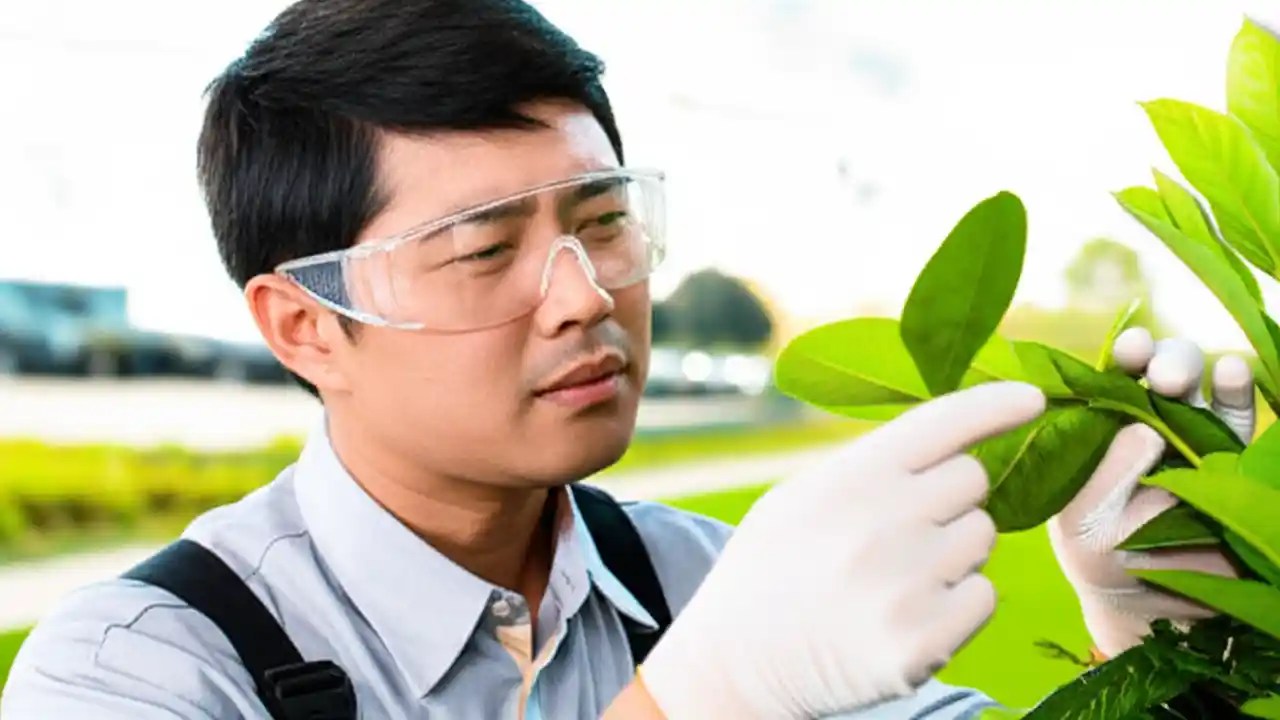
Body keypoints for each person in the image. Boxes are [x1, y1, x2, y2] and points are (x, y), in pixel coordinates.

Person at [0, 1, 1256, 718]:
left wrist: (1152, 651)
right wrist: (697, 703)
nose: (584, 295)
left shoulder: (717, 583)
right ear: (302, 325)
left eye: (602, 222)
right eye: (483, 248)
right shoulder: (141, 667)